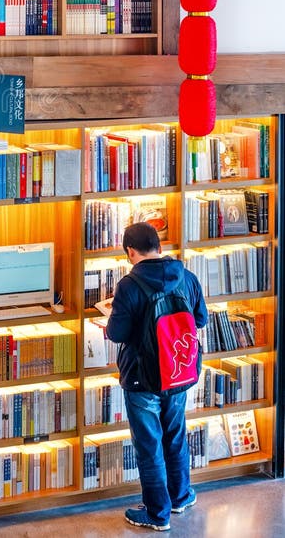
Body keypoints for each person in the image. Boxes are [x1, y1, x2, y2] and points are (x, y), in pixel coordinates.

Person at [107, 222, 208, 532]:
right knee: (175, 436)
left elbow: (116, 333)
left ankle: (157, 513)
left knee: (149, 446)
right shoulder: (186, 277)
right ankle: (180, 496)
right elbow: (200, 318)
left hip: (142, 379)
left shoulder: (129, 286)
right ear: (160, 247)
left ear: (130, 252)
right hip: (179, 373)